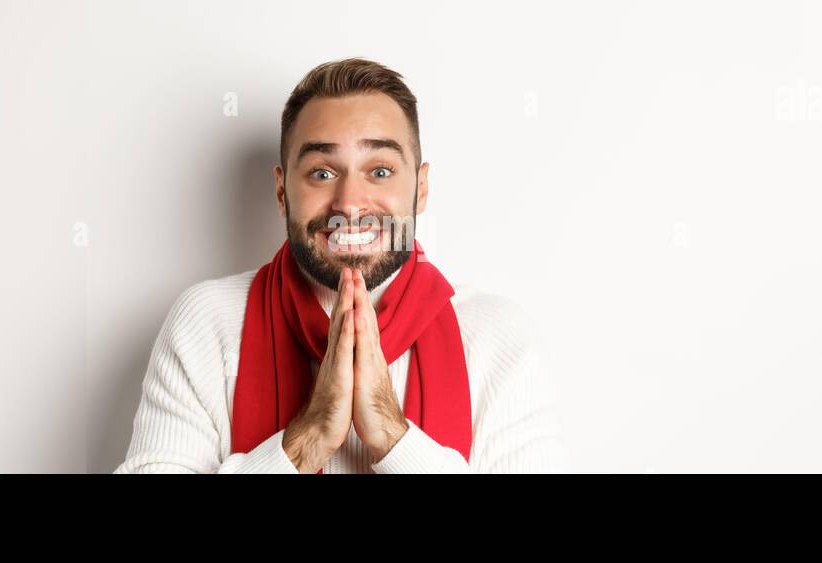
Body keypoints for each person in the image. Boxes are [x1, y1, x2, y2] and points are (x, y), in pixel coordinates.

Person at [113, 58, 565, 474]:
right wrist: (307, 438)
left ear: (421, 188)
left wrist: (392, 435)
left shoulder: (497, 336)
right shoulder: (206, 324)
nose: (349, 204)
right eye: (322, 172)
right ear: (282, 191)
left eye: (380, 171)